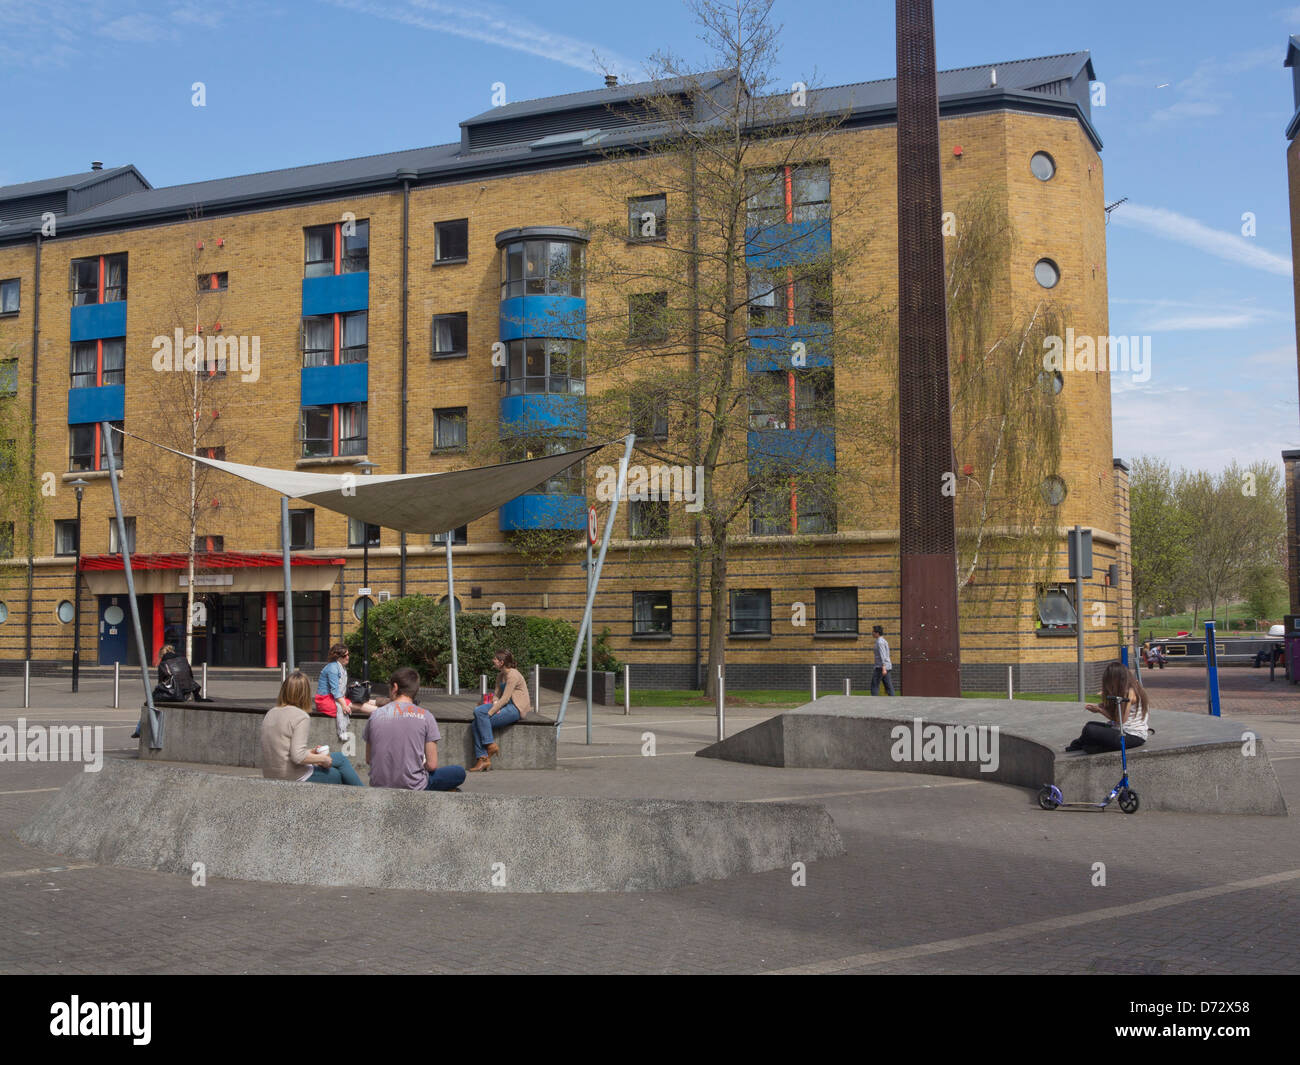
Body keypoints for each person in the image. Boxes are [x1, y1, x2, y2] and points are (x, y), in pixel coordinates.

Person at [362, 667, 466, 791]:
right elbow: (432, 765)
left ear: (395, 687)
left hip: (379, 785)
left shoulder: (375, 715)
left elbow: (369, 759)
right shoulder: (426, 716)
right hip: (413, 786)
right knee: (459, 772)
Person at [260, 670, 363, 785]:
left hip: (271, 773)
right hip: (292, 775)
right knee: (335, 774)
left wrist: (312, 752)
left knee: (340, 757)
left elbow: (284, 750)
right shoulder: (300, 716)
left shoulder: (271, 713)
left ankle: (362, 793)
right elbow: (298, 757)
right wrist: (323, 759)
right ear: (305, 693)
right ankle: (364, 794)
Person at [1065, 661, 1150, 754]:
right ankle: (1085, 745)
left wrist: (1100, 710)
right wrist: (1104, 707)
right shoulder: (1130, 687)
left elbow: (1121, 720)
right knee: (1090, 725)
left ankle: (1085, 745)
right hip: (1122, 731)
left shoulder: (1129, 693)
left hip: (1131, 735)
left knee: (1090, 730)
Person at [469, 649, 531, 772]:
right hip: (503, 705)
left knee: (477, 722)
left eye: (495, 659)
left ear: (501, 662)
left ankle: (485, 753)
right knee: (478, 713)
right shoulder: (500, 676)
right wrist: (495, 704)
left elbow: (506, 698)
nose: (493, 660)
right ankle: (486, 753)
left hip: (515, 708)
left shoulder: (513, 675)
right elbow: (497, 696)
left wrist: (490, 712)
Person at [315, 643, 354, 743]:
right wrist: (344, 705)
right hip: (324, 700)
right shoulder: (332, 668)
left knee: (357, 703)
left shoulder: (341, 667)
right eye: (345, 655)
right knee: (353, 706)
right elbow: (335, 691)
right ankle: (379, 710)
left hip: (333, 698)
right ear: (338, 657)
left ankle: (381, 706)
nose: (347, 657)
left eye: (348, 654)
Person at [870, 625, 894, 696]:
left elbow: (883, 655)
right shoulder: (882, 641)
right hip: (885, 666)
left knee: (874, 684)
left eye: (873, 632)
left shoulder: (880, 642)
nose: (872, 633)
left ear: (877, 633)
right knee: (888, 685)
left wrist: (883, 667)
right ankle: (893, 698)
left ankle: (874, 699)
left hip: (881, 667)